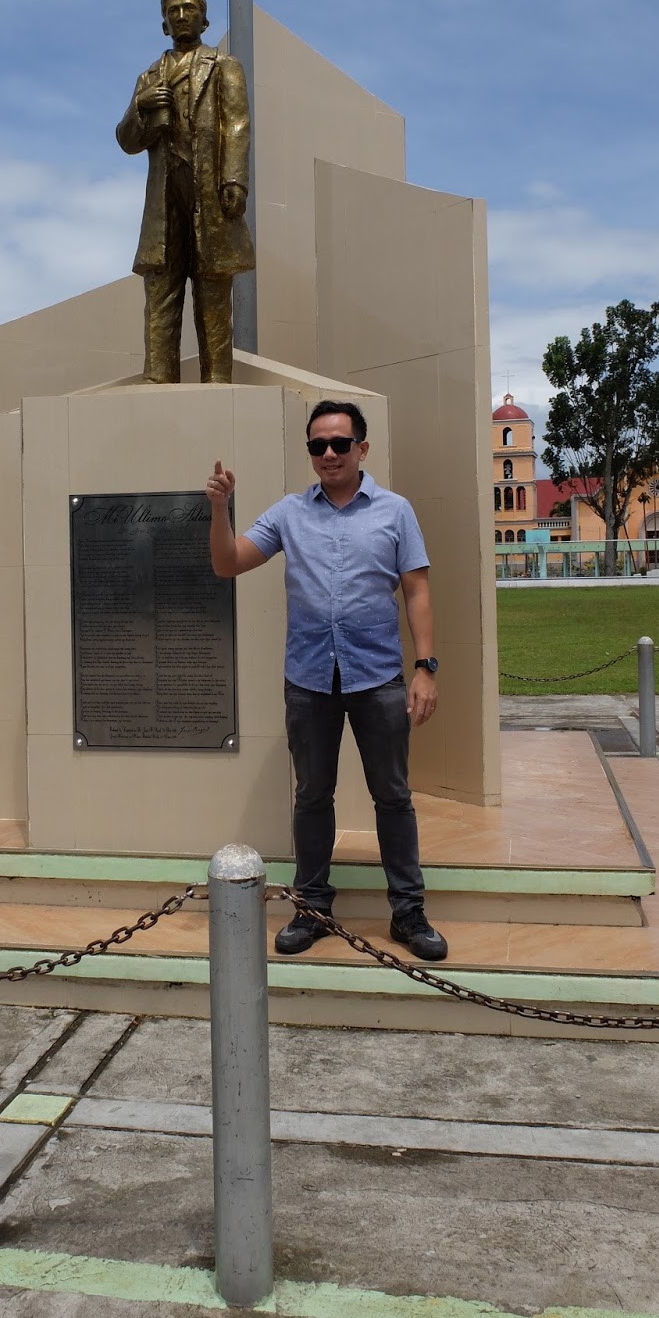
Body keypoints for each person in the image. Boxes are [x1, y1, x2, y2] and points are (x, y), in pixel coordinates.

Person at [206, 400, 447, 961]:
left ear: (363, 448)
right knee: (312, 797)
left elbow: (417, 591)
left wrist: (425, 667)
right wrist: (220, 509)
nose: (329, 454)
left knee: (392, 797)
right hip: (310, 679)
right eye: (318, 445)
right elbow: (228, 563)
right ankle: (312, 908)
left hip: (379, 676)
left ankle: (408, 913)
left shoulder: (395, 511)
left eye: (340, 443)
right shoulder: (290, 513)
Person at [116, 0, 255, 385]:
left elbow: (237, 124)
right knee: (161, 289)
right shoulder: (148, 77)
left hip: (209, 194)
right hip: (165, 201)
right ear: (164, 23)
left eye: (189, 8)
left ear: (204, 19)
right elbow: (127, 140)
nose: (181, 15)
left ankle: (217, 382)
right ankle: (159, 379)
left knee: (213, 293)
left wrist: (235, 179)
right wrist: (140, 108)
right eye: (173, 10)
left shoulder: (223, 66)